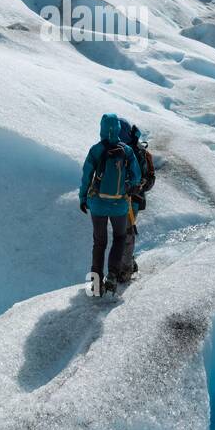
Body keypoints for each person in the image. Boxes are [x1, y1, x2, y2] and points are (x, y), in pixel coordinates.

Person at [79, 113, 141, 296]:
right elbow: (136, 176)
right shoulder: (127, 151)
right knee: (120, 238)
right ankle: (113, 275)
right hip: (119, 205)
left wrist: (83, 198)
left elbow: (86, 177)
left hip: (97, 204)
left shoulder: (96, 150)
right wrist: (127, 188)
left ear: (102, 128)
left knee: (99, 242)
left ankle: (96, 283)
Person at [115, 121, 156, 283]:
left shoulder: (137, 154)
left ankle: (124, 268)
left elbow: (150, 180)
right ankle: (126, 266)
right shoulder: (141, 153)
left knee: (124, 234)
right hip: (129, 200)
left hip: (124, 200)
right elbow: (150, 181)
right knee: (126, 234)